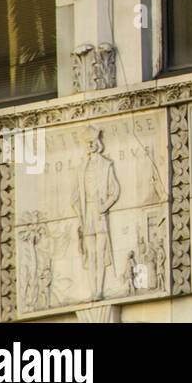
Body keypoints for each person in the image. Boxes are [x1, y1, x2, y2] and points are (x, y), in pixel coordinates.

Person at [72, 126, 121, 301]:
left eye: (93, 141)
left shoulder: (106, 164)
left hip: (99, 213)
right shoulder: (81, 168)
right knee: (91, 254)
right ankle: (93, 290)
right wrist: (80, 216)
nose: (90, 144)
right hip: (87, 215)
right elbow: (75, 197)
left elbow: (115, 191)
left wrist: (105, 206)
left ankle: (100, 289)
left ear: (97, 143)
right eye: (87, 142)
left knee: (100, 253)